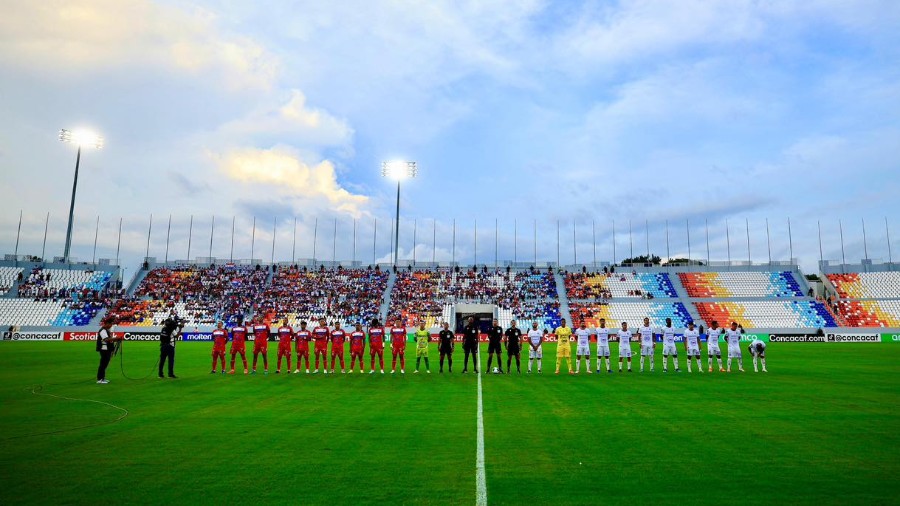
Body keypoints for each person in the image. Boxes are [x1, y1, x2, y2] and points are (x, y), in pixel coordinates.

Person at [158, 310, 183, 379]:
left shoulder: (163, 329)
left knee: (162, 360)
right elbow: (177, 336)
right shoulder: (171, 330)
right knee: (171, 360)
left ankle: (160, 374)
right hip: (170, 346)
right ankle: (170, 374)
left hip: (163, 345)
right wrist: (180, 329)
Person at [96, 318, 117, 384]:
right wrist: (115, 338)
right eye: (110, 324)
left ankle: (102, 378)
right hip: (104, 349)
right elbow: (106, 339)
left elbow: (109, 340)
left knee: (105, 364)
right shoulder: (103, 330)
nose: (111, 325)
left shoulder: (106, 330)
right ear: (107, 323)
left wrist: (116, 339)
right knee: (103, 364)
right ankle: (100, 379)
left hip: (107, 349)